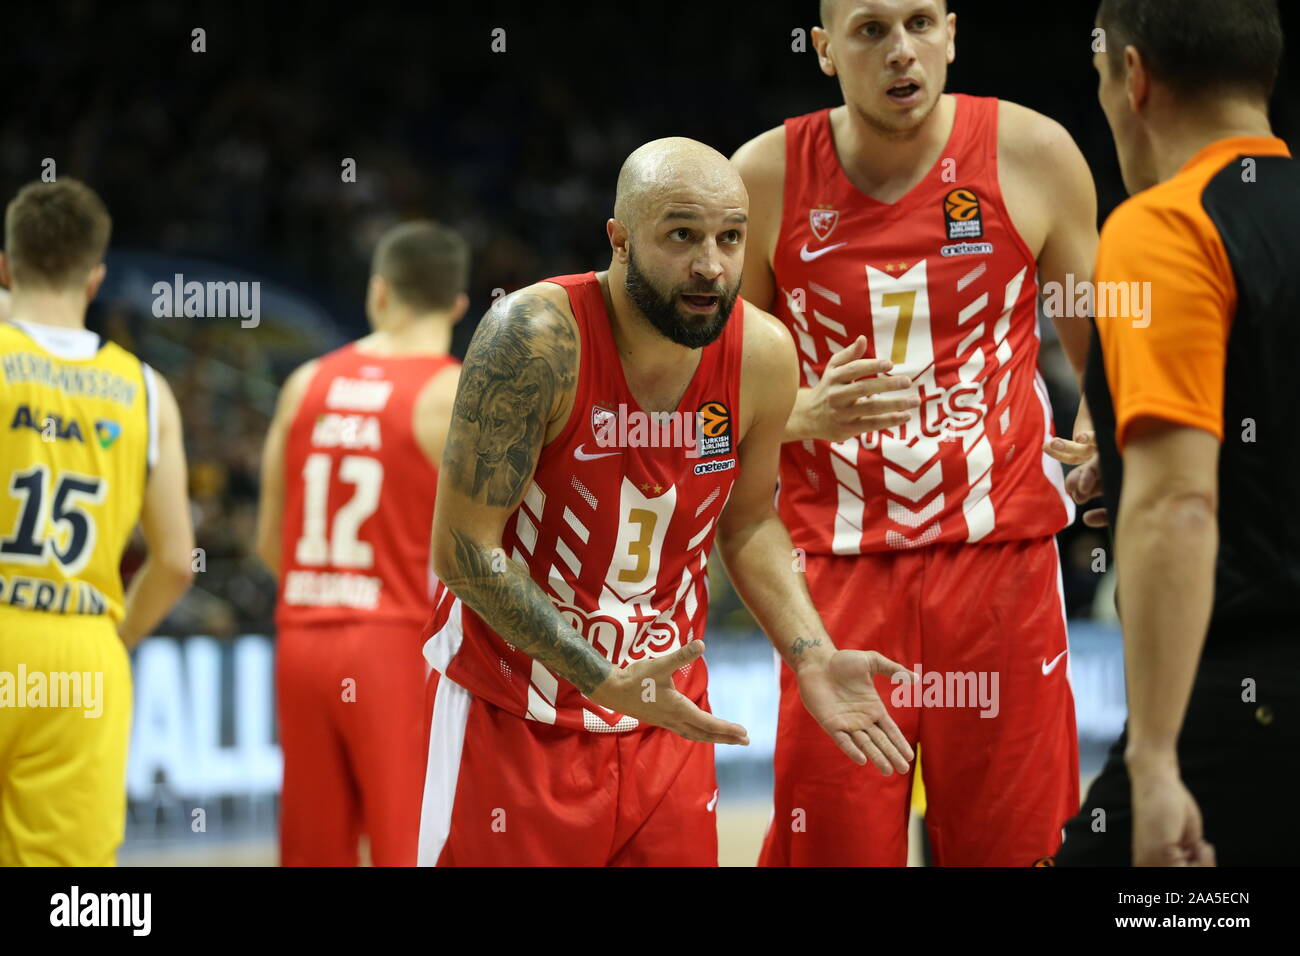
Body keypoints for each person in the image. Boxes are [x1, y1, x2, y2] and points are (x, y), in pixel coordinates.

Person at [418, 137, 916, 867]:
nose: (711, 265)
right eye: (682, 235)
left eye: (730, 238)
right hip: (515, 716)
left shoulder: (765, 354)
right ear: (619, 240)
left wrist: (810, 651)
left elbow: (747, 523)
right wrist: (601, 680)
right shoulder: (533, 339)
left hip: (668, 724)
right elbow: (463, 552)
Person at [731, 0, 1101, 865]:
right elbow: (702, 408)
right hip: (833, 580)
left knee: (1016, 851)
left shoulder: (1035, 152)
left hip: (1000, 567)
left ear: (953, 33)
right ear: (824, 50)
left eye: (920, 23)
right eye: (869, 30)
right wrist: (796, 414)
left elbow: (1107, 360)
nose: (902, 51)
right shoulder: (760, 177)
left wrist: (1103, 444)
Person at [1057, 0, 1298, 867]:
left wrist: (1156, 760)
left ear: (1133, 77)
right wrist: (1120, 470)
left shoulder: (1166, 226)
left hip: (1241, 708)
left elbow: (1179, 506)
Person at [256, 221, 466, 866]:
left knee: (314, 849)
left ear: (378, 293)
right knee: (408, 845)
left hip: (301, 639)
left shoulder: (305, 382)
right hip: (396, 648)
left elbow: (270, 541)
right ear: (459, 305)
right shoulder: (454, 393)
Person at [0, 179, 194, 865]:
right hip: (84, 647)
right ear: (96, 277)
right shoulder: (146, 389)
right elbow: (175, 561)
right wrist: (116, 637)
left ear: (6, 264)